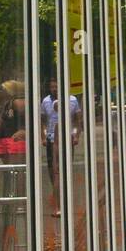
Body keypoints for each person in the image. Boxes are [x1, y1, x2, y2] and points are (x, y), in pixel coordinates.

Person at [41, 77, 81, 218]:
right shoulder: (46, 101)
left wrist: (76, 135)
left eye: (56, 86)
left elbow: (78, 120)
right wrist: (43, 136)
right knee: (53, 169)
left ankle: (64, 196)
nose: (54, 89)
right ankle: (57, 195)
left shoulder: (72, 100)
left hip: (67, 138)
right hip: (52, 140)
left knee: (66, 167)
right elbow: (43, 121)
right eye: (52, 87)